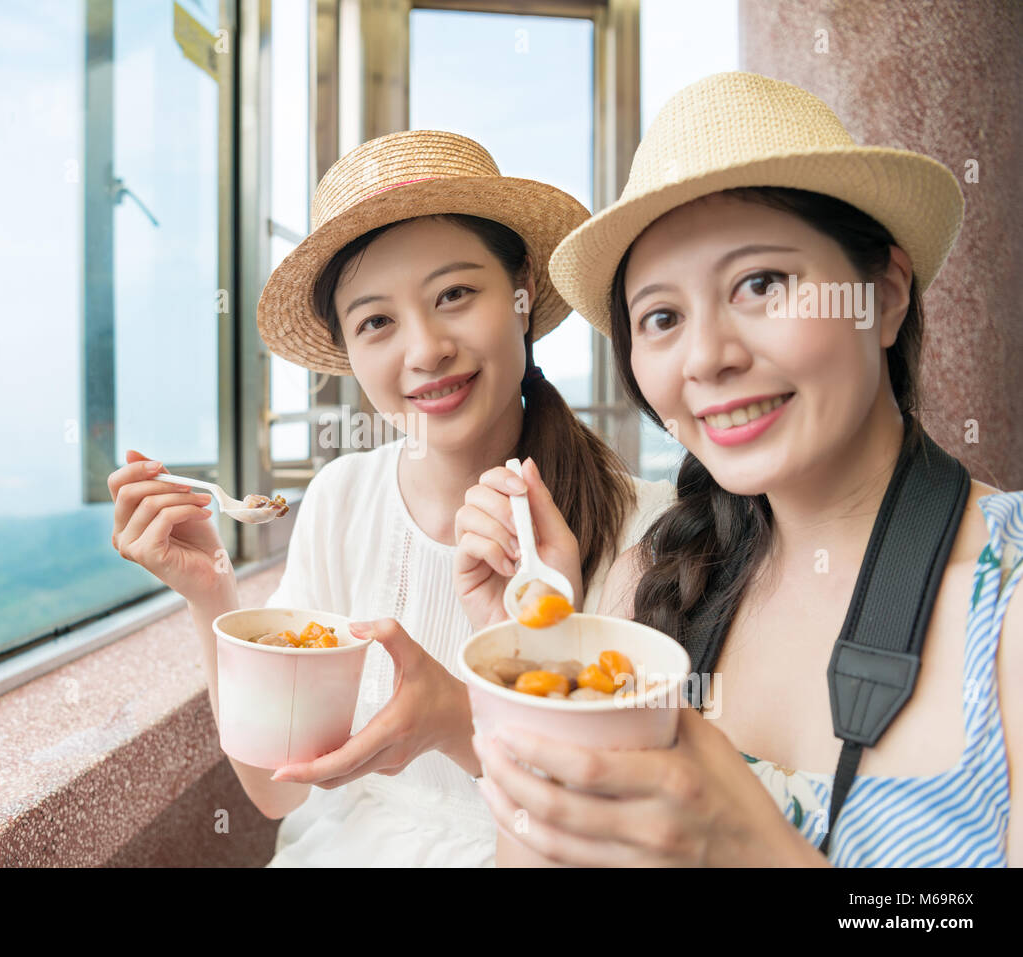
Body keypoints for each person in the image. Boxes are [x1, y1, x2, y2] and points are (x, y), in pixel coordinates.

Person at [465, 72, 1021, 866]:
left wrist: (757, 852)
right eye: (661, 317)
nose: (709, 358)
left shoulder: (1007, 605)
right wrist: (527, 668)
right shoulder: (643, 588)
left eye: (762, 283)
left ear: (886, 295)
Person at [108, 129, 673, 866]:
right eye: (376, 321)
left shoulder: (646, 528)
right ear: (349, 351)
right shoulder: (342, 498)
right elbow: (281, 791)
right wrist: (211, 594)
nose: (424, 347)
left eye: (456, 294)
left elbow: (625, 826)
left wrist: (455, 719)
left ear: (522, 298)